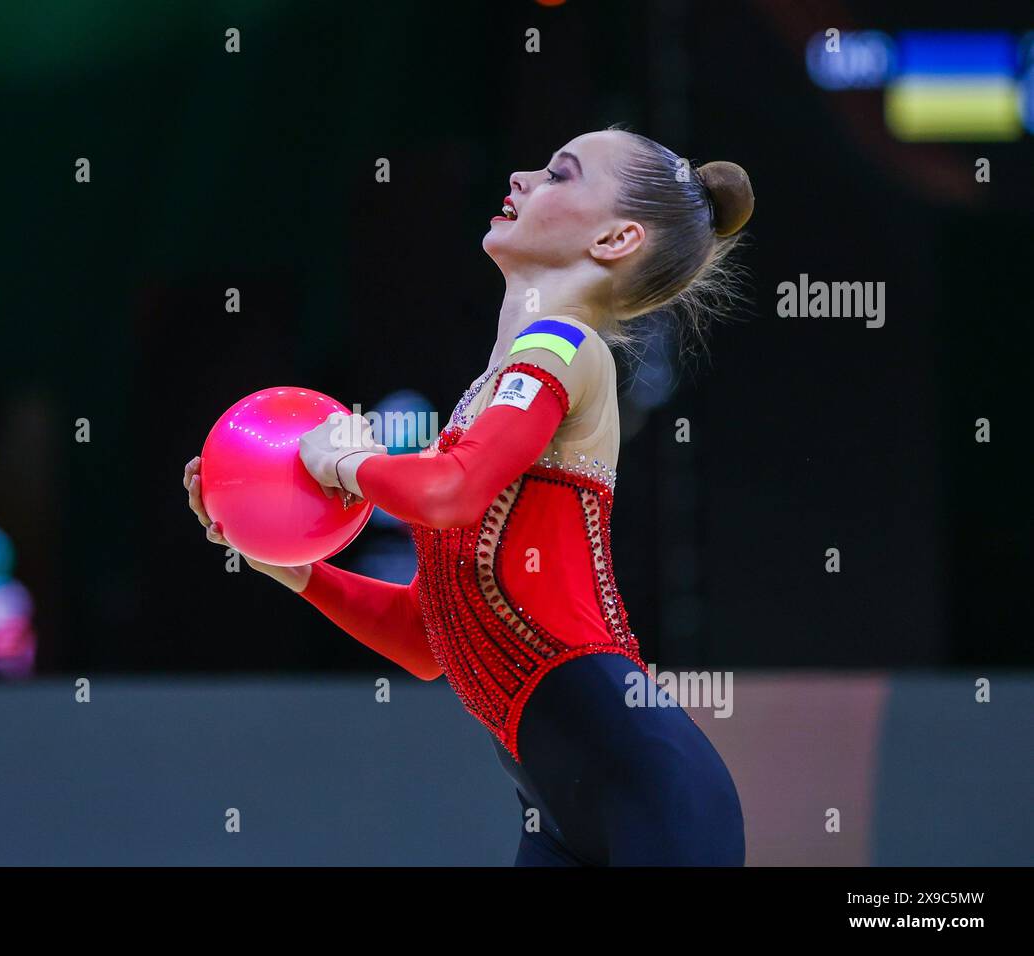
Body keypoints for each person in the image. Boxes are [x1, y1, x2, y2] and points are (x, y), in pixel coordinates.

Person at [184, 129, 753, 865]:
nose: (520, 176)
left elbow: (451, 494)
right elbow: (432, 636)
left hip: (652, 793)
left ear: (615, 238)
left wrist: (348, 460)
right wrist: (293, 567)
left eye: (558, 173)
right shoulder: (487, 395)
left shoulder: (564, 347)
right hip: (556, 811)